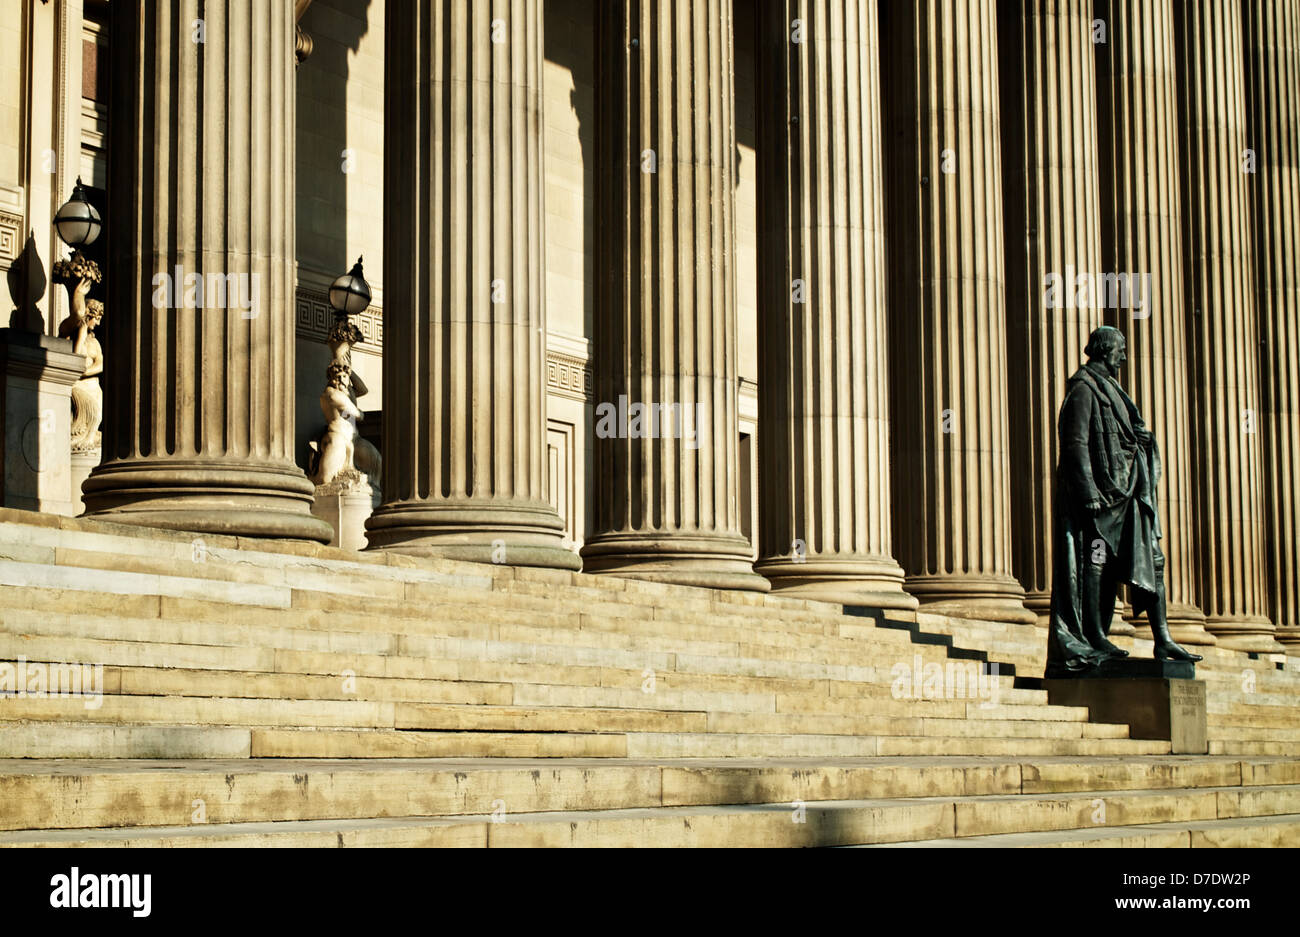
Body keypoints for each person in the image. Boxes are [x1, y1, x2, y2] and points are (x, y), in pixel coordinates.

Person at [1048, 326, 1202, 671]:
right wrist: (1087, 492)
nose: (1125, 356)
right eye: (1121, 349)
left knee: (1154, 560)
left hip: (1127, 493)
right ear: (1105, 351)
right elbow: (1074, 445)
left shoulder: (1113, 389)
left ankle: (1162, 638)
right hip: (1101, 499)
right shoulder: (1085, 390)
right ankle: (1094, 635)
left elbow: (1125, 440)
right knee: (1097, 561)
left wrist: (1144, 438)